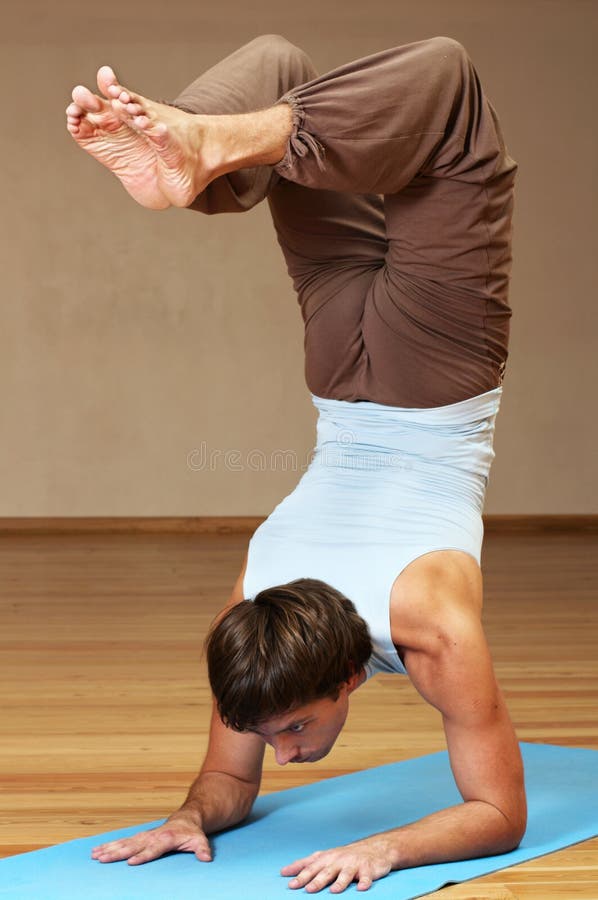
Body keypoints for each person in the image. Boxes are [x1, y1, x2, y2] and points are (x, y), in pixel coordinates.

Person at [67, 34, 527, 893]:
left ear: (351, 673)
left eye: (285, 732)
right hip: (357, 366)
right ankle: (204, 154)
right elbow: (229, 783)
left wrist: (386, 847)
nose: (279, 752)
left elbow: (501, 816)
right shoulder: (254, 619)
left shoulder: (429, 629)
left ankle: (201, 154)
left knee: (451, 90)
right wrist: (187, 816)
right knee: (280, 68)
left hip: (433, 367)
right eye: (280, 734)